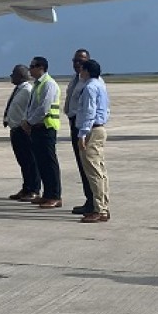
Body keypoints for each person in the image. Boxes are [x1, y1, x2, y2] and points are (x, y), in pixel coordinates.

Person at [74, 59, 111, 223]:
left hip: (92, 130)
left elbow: (89, 112)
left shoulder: (89, 87)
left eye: (82, 69)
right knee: (100, 171)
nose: (79, 71)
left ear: (87, 71)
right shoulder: (101, 85)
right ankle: (103, 206)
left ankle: (99, 209)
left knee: (94, 172)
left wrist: (82, 134)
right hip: (100, 128)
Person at [27, 57, 64, 208]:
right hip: (37, 128)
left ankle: (55, 195)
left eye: (32, 66)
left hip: (46, 128)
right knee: (41, 163)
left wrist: (29, 121)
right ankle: (47, 194)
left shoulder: (48, 84)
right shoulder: (37, 85)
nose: (30, 69)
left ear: (41, 67)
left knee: (49, 163)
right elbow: (32, 106)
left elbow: (44, 108)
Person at [65, 48, 95, 215]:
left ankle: (94, 202)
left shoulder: (90, 81)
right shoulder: (75, 79)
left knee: (88, 166)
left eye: (81, 61)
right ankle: (88, 199)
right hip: (74, 123)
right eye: (75, 61)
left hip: (83, 126)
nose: (77, 64)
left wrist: (84, 130)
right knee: (81, 164)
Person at [1, 65, 38, 201]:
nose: (11, 76)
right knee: (22, 161)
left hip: (23, 131)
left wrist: (25, 124)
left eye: (13, 74)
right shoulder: (19, 89)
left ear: (20, 75)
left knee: (30, 161)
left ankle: (33, 189)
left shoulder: (27, 90)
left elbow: (29, 109)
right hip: (15, 129)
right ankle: (26, 187)